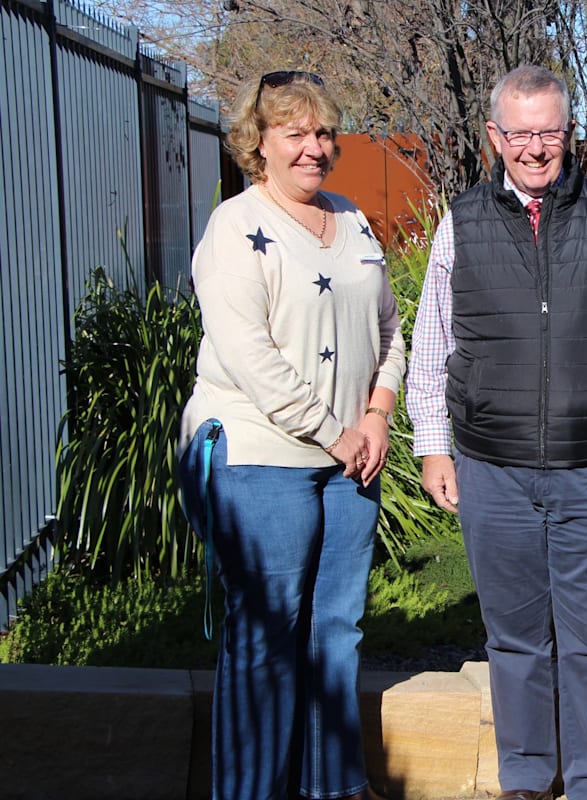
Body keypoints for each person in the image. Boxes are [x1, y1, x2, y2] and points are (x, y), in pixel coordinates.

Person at [405, 64, 587, 800]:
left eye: (551, 133)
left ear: (569, 134)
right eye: (522, 133)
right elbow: (431, 342)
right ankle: (528, 780)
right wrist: (433, 444)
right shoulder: (461, 222)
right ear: (495, 137)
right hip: (492, 471)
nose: (537, 149)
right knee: (516, 641)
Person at [176, 71, 405, 800]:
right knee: (266, 640)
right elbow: (250, 356)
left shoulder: (354, 220)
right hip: (261, 460)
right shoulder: (236, 228)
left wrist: (374, 416)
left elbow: (391, 331)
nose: (315, 148)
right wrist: (331, 430)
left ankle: (333, 786)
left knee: (336, 631)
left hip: (350, 460)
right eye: (295, 133)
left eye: (324, 133)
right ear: (259, 144)